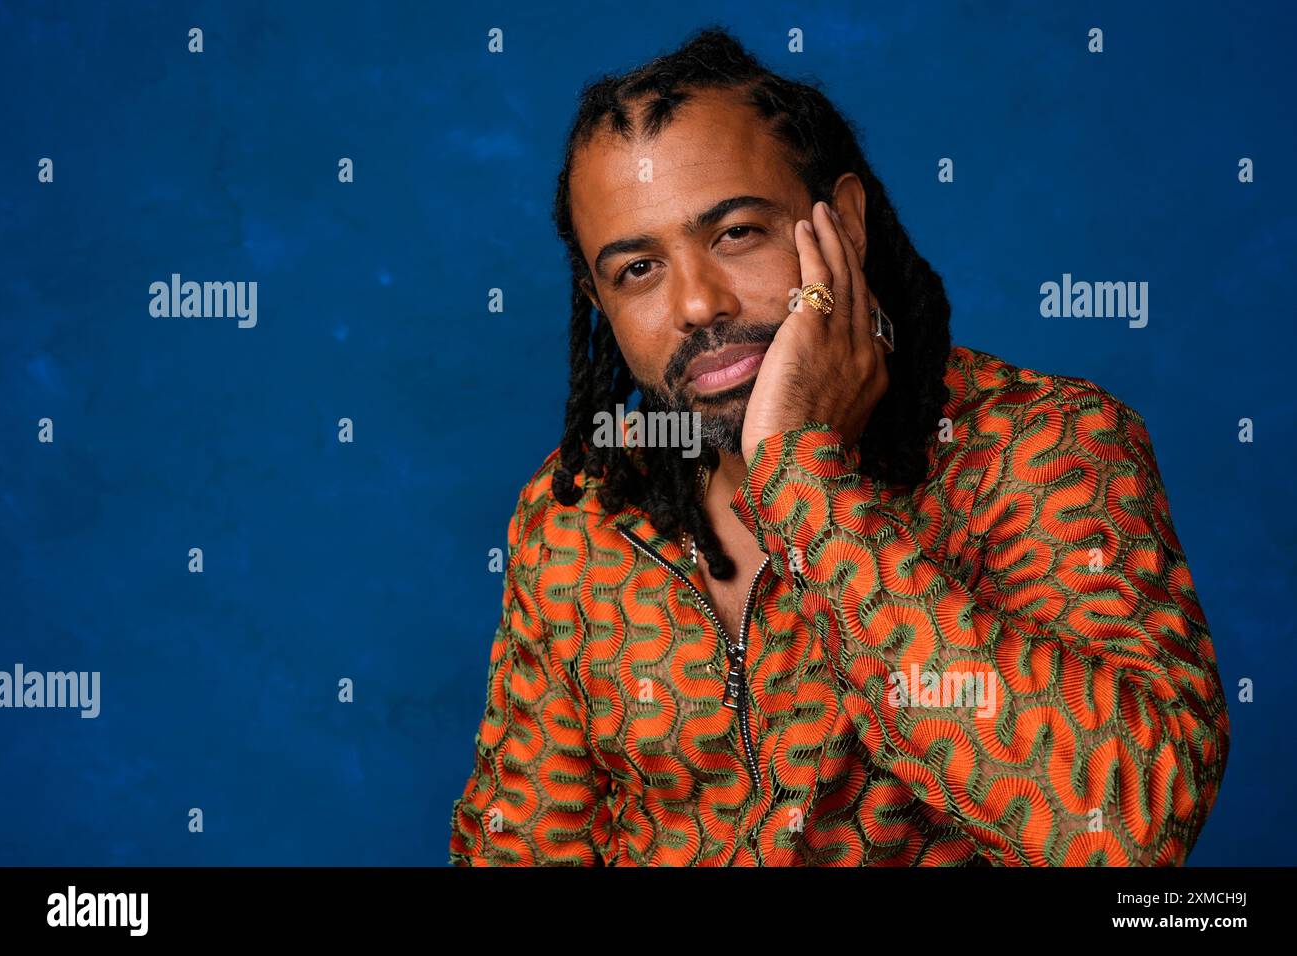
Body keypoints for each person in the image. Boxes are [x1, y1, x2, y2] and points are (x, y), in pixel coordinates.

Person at [448, 27, 1230, 866]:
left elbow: (1124, 828)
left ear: (843, 224)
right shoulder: (580, 513)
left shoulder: (1045, 446)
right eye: (638, 268)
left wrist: (802, 476)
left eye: (736, 233)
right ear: (599, 302)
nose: (698, 304)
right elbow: (519, 846)